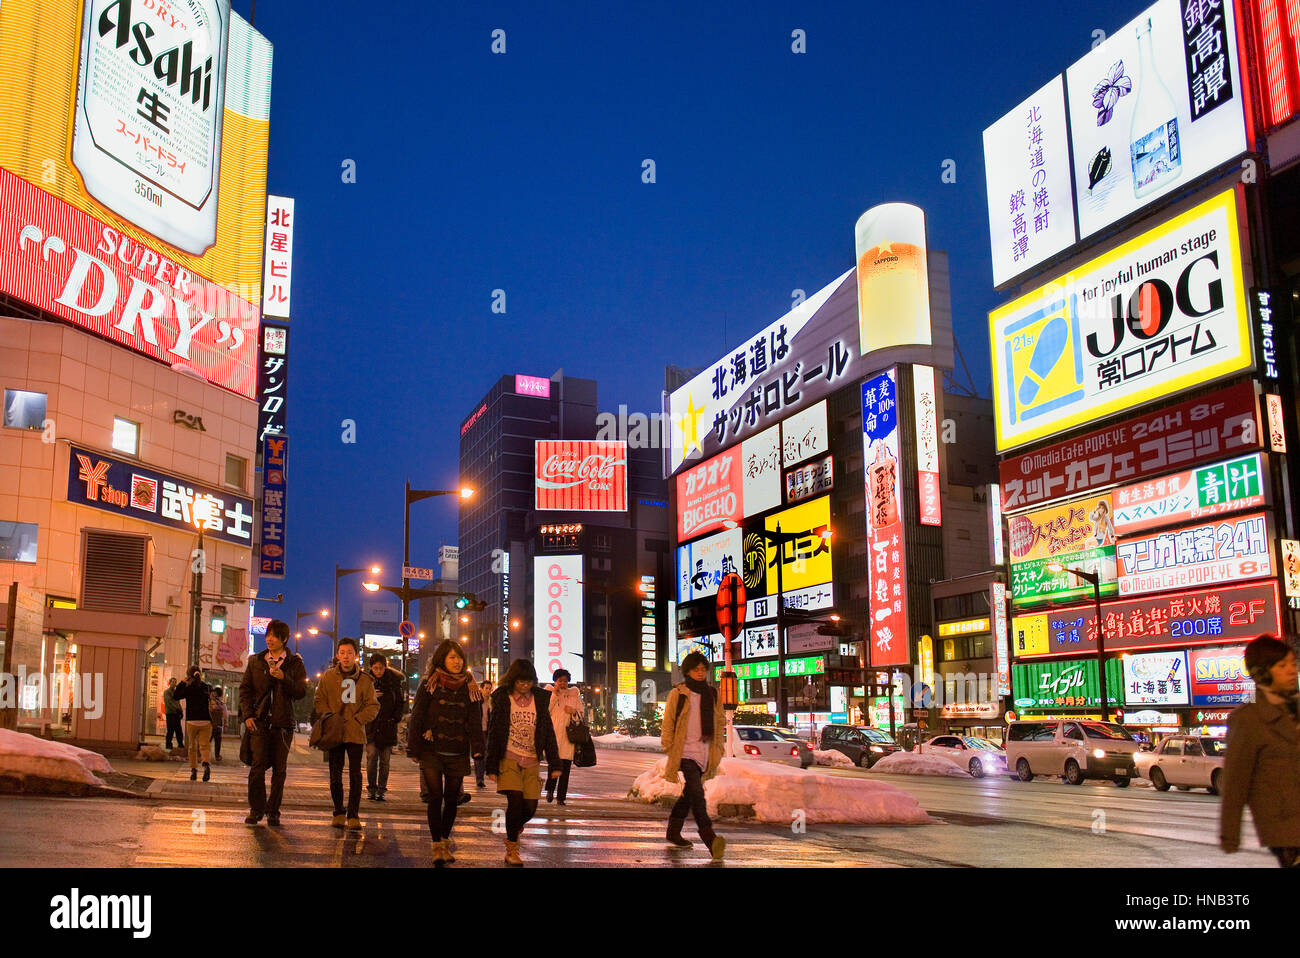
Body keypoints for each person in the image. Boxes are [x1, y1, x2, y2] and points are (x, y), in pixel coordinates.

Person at [1220, 634, 1300, 866]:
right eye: (1282, 665)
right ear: (1262, 672)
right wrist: (1230, 835)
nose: (1291, 671)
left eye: (1293, 664)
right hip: (1286, 830)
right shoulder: (1248, 719)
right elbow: (1236, 781)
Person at [407, 640, 484, 865]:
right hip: (432, 749)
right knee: (435, 797)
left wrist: (478, 749)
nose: (457, 661)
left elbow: (475, 720)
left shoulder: (471, 686)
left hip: (458, 750)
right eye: (452, 657)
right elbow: (417, 716)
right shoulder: (429, 684)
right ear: (442, 659)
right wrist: (413, 747)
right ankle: (437, 846)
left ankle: (444, 839)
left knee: (451, 799)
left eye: (459, 657)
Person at [486, 659, 561, 866]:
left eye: (528, 682)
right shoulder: (503, 698)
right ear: (512, 680)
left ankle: (514, 824)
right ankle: (511, 849)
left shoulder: (540, 699)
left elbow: (548, 734)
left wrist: (555, 764)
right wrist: (491, 766)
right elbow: (494, 733)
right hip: (509, 757)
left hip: (532, 760)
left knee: (530, 807)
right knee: (516, 800)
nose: (524, 686)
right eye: (520, 682)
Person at [239, 619, 308, 827]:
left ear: (284, 639)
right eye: (268, 634)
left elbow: (301, 692)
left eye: (274, 636)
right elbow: (245, 690)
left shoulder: (294, 663)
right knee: (257, 767)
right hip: (259, 722)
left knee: (279, 770)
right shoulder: (257, 660)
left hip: (282, 723)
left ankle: (273, 811)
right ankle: (256, 809)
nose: (269, 638)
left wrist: (283, 677)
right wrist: (248, 715)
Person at [661, 651, 726, 861]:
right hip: (685, 751)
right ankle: (710, 838)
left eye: (703, 669)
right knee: (698, 794)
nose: (700, 672)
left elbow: (719, 721)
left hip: (704, 752)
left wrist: (719, 747)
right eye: (696, 669)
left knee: (689, 794)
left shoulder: (712, 694)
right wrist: (669, 746)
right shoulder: (678, 693)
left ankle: (673, 832)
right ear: (688, 670)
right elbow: (669, 721)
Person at [314, 638, 379, 830]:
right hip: (334, 732)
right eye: (342, 652)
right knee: (335, 773)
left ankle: (353, 814)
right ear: (337, 655)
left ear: (356, 656)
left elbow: (373, 705)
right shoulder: (327, 677)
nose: (346, 657)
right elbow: (319, 700)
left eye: (350, 653)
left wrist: (358, 719)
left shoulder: (365, 680)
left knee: (355, 775)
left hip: (355, 733)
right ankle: (338, 812)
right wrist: (330, 717)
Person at [365, 653, 406, 802]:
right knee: (371, 758)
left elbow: (400, 702)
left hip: (388, 725)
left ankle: (381, 790)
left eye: (381, 668)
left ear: (385, 666)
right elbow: (358, 701)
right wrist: (371, 696)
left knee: (385, 761)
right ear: (371, 668)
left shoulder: (394, 682)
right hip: (371, 725)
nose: (378, 671)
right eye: (375, 668)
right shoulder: (365, 681)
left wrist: (396, 718)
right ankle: (371, 788)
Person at [545, 669, 584, 805]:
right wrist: (555, 695)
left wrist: (574, 712)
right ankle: (550, 789)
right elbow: (545, 710)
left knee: (565, 769)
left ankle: (561, 797)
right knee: (553, 766)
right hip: (554, 735)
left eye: (565, 681)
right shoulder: (549, 693)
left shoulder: (574, 695)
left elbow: (581, 714)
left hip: (569, 737)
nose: (563, 683)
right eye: (560, 680)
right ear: (555, 681)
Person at [174, 666, 213, 782]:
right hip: (205, 721)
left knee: (192, 747)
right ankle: (206, 765)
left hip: (192, 721)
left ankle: (193, 771)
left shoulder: (188, 688)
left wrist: (183, 682)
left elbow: (175, 696)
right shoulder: (206, 687)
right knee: (205, 746)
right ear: (200, 674)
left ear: (189, 676)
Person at [474, 680, 494, 788]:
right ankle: (479, 779)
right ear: (481, 689)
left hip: (487, 732)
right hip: (478, 731)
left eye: (490, 688)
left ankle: (482, 776)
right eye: (486, 688)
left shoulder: (491, 703)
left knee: (486, 755)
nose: (488, 691)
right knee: (479, 755)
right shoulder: (477, 702)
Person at [162, 677, 185, 750]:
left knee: (178, 730)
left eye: (175, 682)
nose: (174, 683)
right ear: (170, 683)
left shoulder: (176, 692)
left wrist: (181, 711)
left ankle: (180, 744)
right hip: (170, 713)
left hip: (176, 713)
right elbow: (168, 703)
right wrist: (176, 710)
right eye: (173, 682)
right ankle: (168, 744)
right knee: (170, 730)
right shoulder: (167, 692)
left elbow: (178, 702)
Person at [208, 688, 226, 763]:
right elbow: (224, 712)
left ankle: (216, 756)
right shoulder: (218, 703)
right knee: (211, 741)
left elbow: (224, 713)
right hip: (213, 725)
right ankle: (213, 756)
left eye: (214, 693)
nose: (213, 695)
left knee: (216, 741)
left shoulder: (218, 702)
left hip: (215, 724)